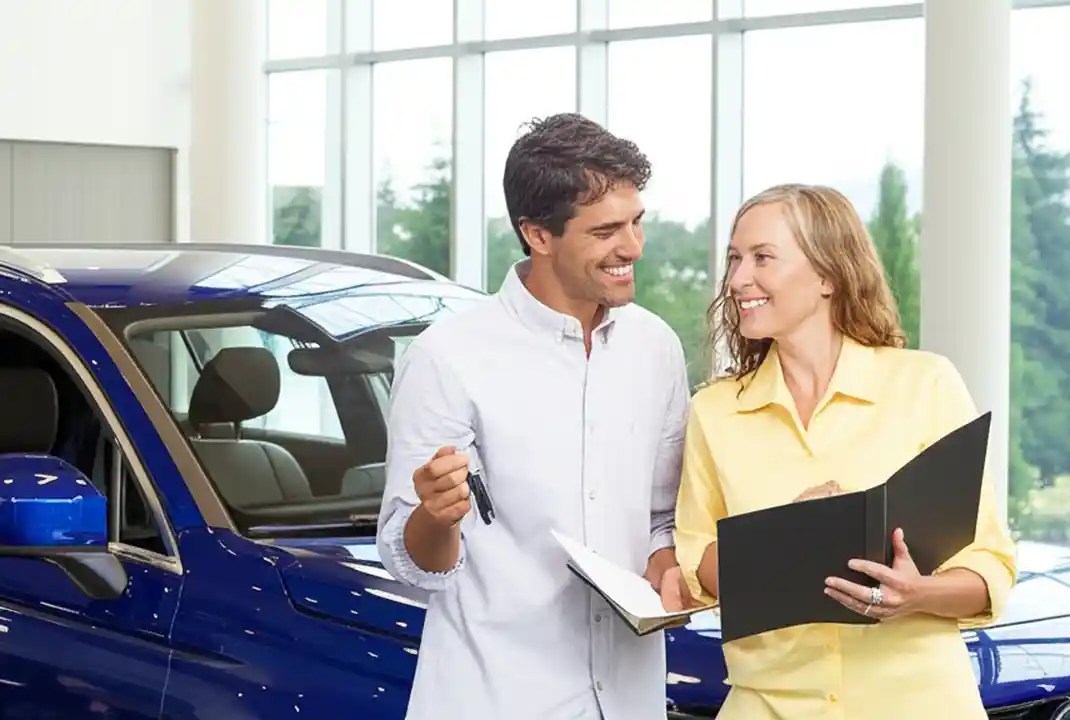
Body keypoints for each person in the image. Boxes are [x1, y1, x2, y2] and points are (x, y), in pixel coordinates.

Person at [659, 183, 1017, 719]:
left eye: (762, 258)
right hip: (769, 704)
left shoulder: (926, 384)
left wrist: (915, 594)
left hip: (917, 702)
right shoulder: (715, 411)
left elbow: (988, 564)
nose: (737, 280)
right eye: (734, 259)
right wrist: (787, 537)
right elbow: (696, 562)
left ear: (827, 275)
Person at [377, 112, 689, 719]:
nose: (632, 248)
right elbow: (412, 564)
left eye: (636, 222)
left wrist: (666, 561)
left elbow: (661, 517)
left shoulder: (656, 348)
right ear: (538, 235)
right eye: (605, 231)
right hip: (496, 697)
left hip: (629, 700)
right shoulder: (448, 359)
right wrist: (436, 518)